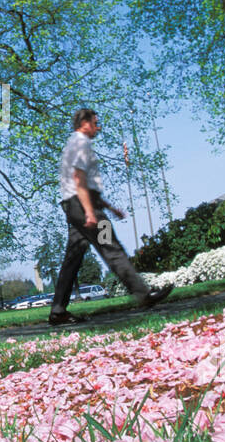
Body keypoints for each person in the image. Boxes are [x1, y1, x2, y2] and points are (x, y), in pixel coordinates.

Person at [49, 107, 172, 325]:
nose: (99, 127)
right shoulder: (81, 143)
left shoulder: (73, 143)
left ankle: (58, 311)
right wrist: (90, 212)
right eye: (96, 123)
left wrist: (110, 207)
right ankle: (144, 295)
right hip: (83, 207)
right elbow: (79, 180)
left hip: (77, 207)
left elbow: (84, 184)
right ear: (84, 123)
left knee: (72, 259)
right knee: (111, 248)